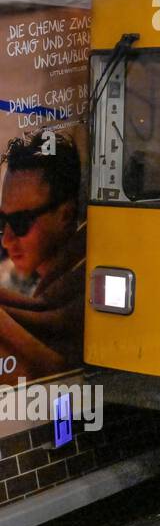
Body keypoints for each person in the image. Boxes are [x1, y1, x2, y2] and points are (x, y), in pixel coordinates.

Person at [0, 132, 86, 379]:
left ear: (66, 215)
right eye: (2, 221)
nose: (6, 239)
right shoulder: (56, 286)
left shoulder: (87, 287)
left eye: (21, 222)